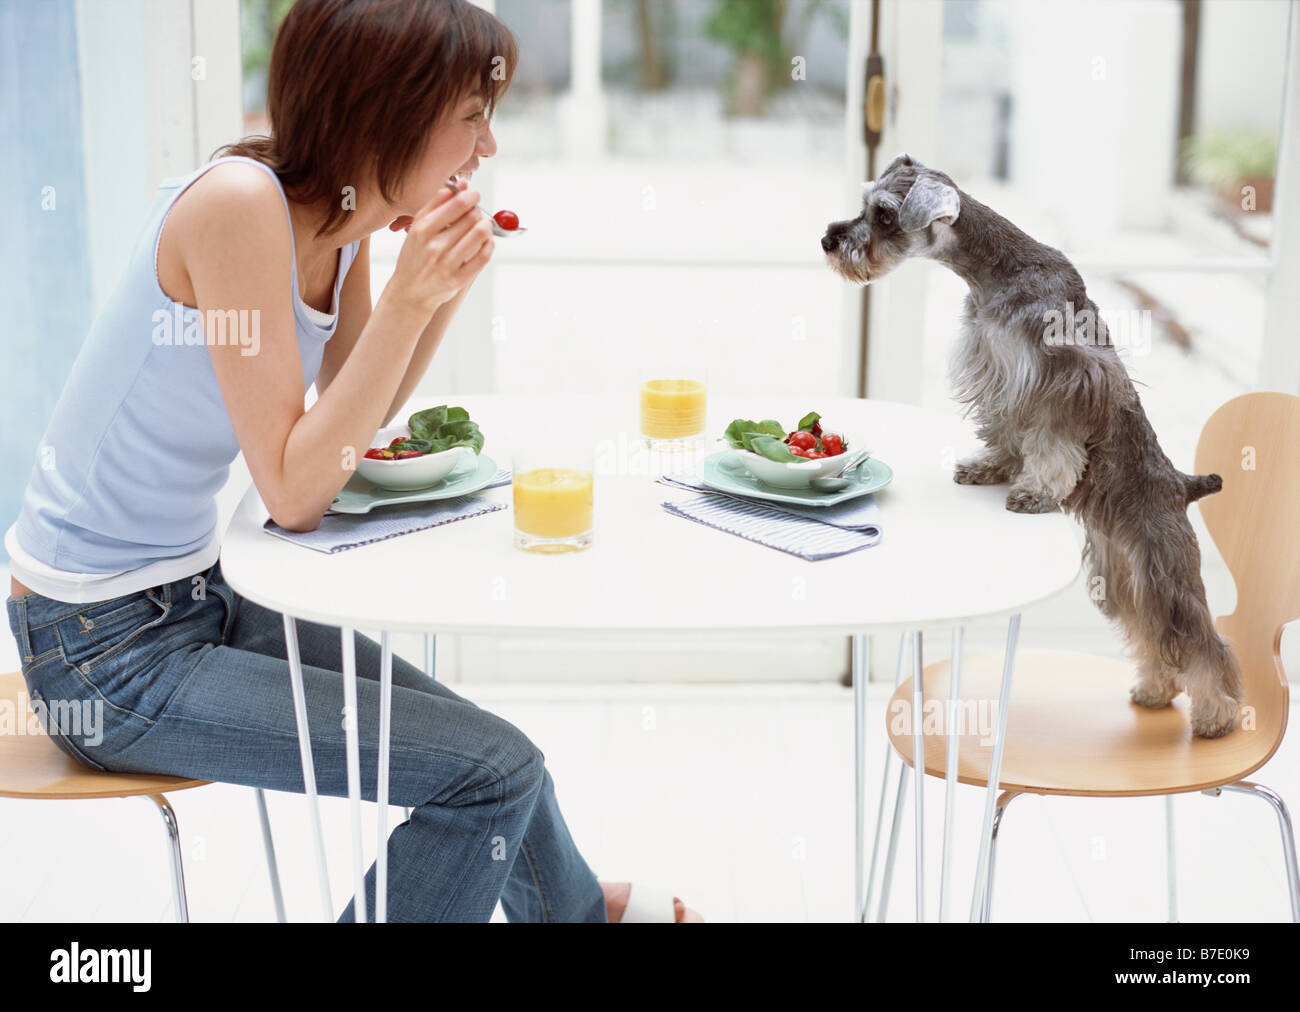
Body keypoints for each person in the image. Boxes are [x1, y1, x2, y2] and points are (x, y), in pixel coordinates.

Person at [4, 0, 699, 923]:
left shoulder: (336, 219)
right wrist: (415, 298)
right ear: (390, 109)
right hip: (100, 654)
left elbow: (356, 423)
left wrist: (439, 291)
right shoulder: (239, 207)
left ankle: (574, 916)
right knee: (486, 775)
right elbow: (295, 490)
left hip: (196, 599)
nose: (487, 147)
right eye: (472, 115)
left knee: (503, 754)